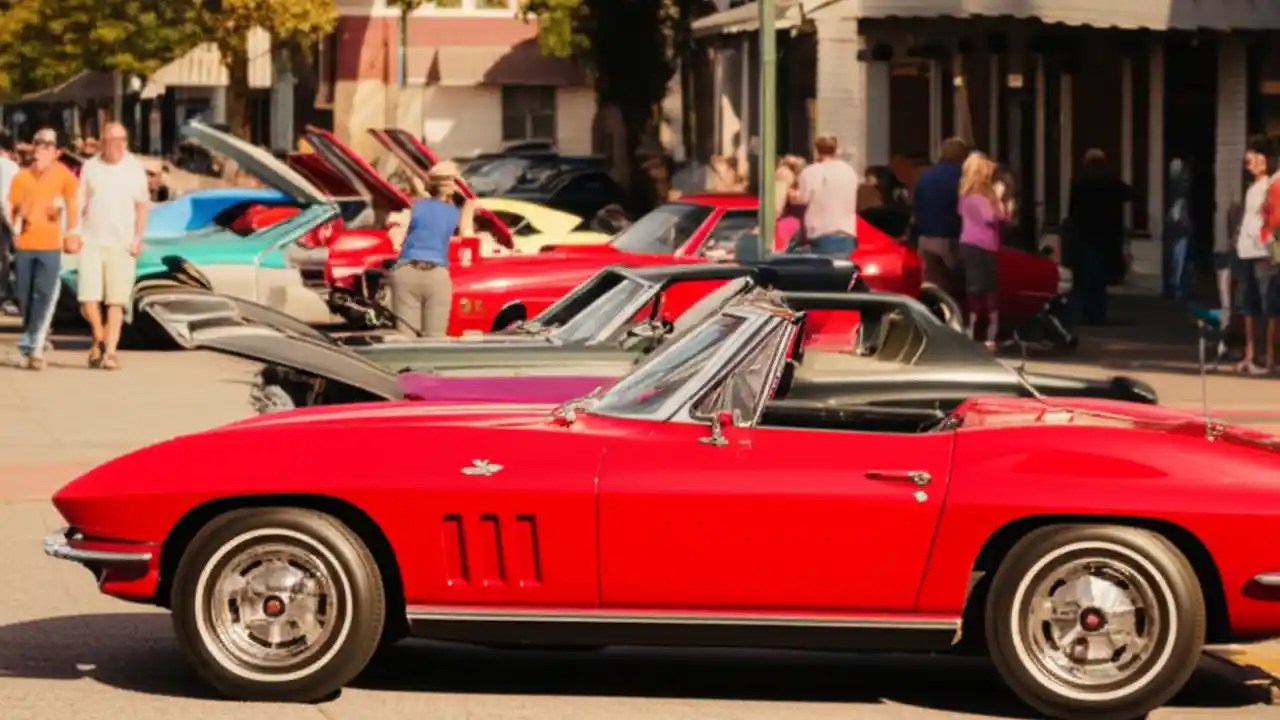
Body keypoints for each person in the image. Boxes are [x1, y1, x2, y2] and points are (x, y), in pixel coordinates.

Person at [74, 122, 149, 370]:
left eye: (120, 139)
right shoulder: (90, 167)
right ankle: (99, 336)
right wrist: (73, 232)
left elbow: (141, 206)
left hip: (122, 244)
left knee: (116, 302)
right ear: (101, 142)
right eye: (109, 140)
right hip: (91, 241)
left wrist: (138, 239)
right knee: (88, 299)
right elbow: (79, 203)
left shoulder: (134, 169)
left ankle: (110, 352)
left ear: (126, 142)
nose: (115, 145)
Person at [6, 127, 80, 370]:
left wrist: (72, 233)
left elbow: (73, 205)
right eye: (39, 143)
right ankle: (32, 341)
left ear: (56, 152)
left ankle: (35, 347)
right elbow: (11, 208)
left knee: (44, 295)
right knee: (25, 296)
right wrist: (17, 221)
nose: (43, 148)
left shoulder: (64, 176)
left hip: (51, 245)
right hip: (25, 245)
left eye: (48, 145)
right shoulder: (21, 177)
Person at [391, 160, 474, 338]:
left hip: (406, 271)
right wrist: (470, 205)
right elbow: (468, 236)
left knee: (406, 338)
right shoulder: (457, 211)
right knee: (435, 338)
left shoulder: (417, 205)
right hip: (436, 274)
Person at [1067, 148, 1134, 324]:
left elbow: (1073, 213)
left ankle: (1087, 313)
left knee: (1087, 278)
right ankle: (1097, 313)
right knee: (1100, 279)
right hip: (1107, 237)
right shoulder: (1112, 183)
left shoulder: (1080, 184)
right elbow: (1132, 194)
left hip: (1087, 237)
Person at [1235, 135, 1280, 375]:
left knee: (1269, 303)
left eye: (1253, 155)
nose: (1248, 160)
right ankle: (1250, 354)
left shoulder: (1273, 184)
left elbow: (1274, 218)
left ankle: (1270, 355)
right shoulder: (1254, 186)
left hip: (1264, 251)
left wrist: (1270, 242)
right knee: (1249, 303)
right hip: (1246, 250)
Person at [958, 152, 1008, 350]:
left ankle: (972, 326)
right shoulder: (982, 195)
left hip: (967, 242)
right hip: (983, 245)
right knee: (988, 288)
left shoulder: (965, 193)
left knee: (973, 287)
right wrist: (999, 199)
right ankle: (989, 331)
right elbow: (992, 217)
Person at [912, 137, 968, 299]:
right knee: (958, 290)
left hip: (926, 239)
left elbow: (916, 205)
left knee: (932, 289)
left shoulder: (925, 177)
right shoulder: (963, 178)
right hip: (953, 240)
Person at [792, 135, 859, 257]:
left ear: (816, 151)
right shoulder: (849, 171)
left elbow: (803, 199)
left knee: (825, 273)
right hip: (848, 234)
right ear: (836, 150)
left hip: (822, 233)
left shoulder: (810, 172)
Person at [0, 128, 20, 316]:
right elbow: (8, 199)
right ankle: (4, 296)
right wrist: (14, 228)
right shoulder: (10, 167)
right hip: (4, 217)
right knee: (5, 257)